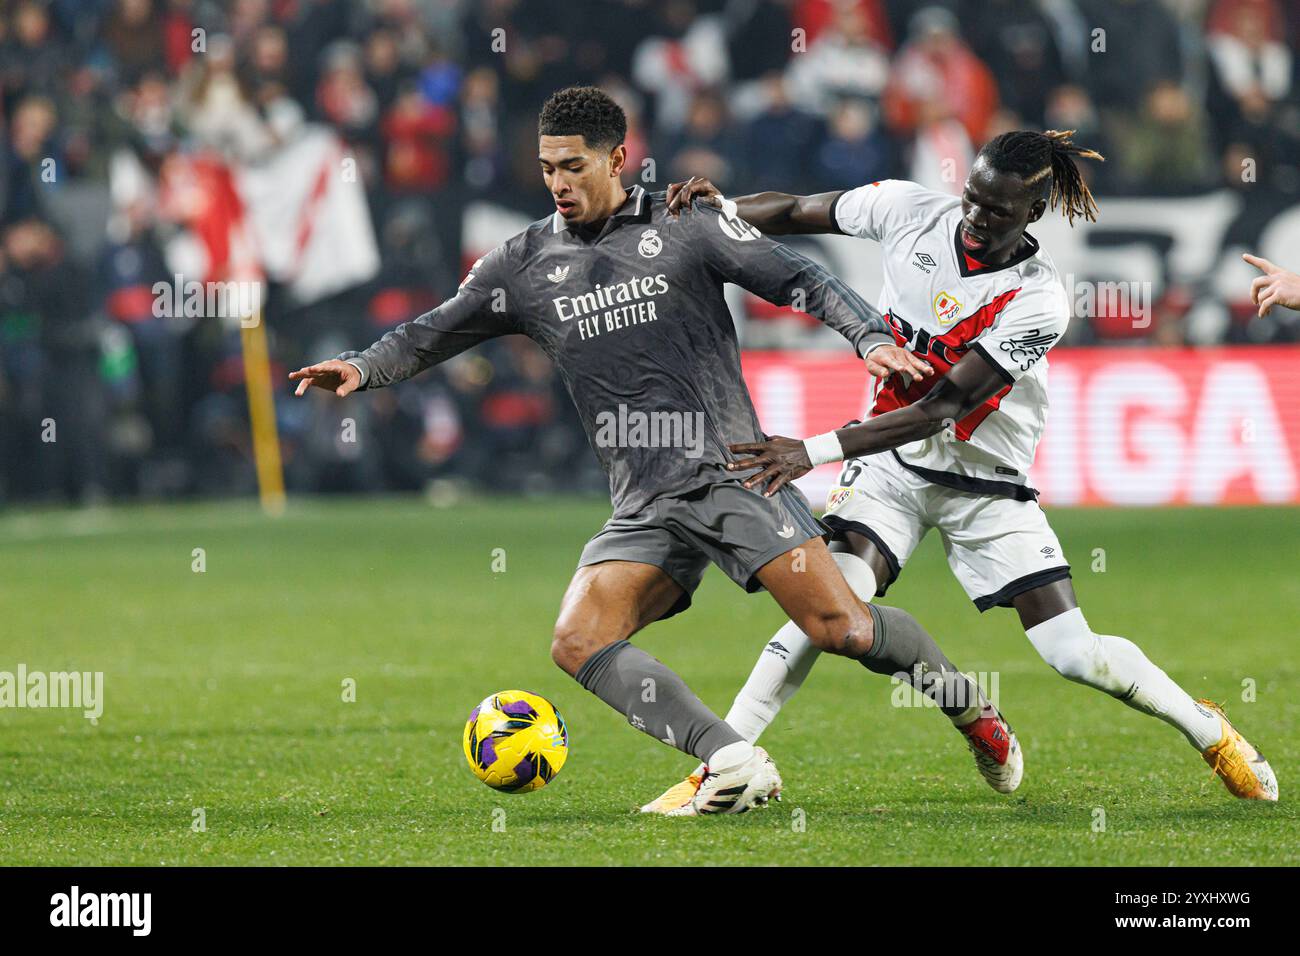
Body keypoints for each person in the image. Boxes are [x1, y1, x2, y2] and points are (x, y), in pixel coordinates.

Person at [290, 86, 1023, 815]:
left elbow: (799, 277)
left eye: (573, 166)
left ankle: (971, 710)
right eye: (547, 168)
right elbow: (432, 331)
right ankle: (734, 760)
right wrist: (362, 367)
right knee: (578, 640)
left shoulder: (686, 223)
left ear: (618, 159)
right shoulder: (522, 263)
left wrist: (868, 337)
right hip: (643, 498)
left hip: (734, 474)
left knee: (844, 630)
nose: (558, 183)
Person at [640, 129, 1278, 813]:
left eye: (997, 210)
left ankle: (1209, 730)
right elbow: (797, 210)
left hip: (987, 485)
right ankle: (726, 765)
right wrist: (721, 212)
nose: (975, 216)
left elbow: (943, 408)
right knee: (824, 608)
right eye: (972, 197)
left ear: (1032, 214)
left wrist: (812, 450)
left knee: (1072, 653)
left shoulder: (1037, 298)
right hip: (889, 467)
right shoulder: (908, 209)